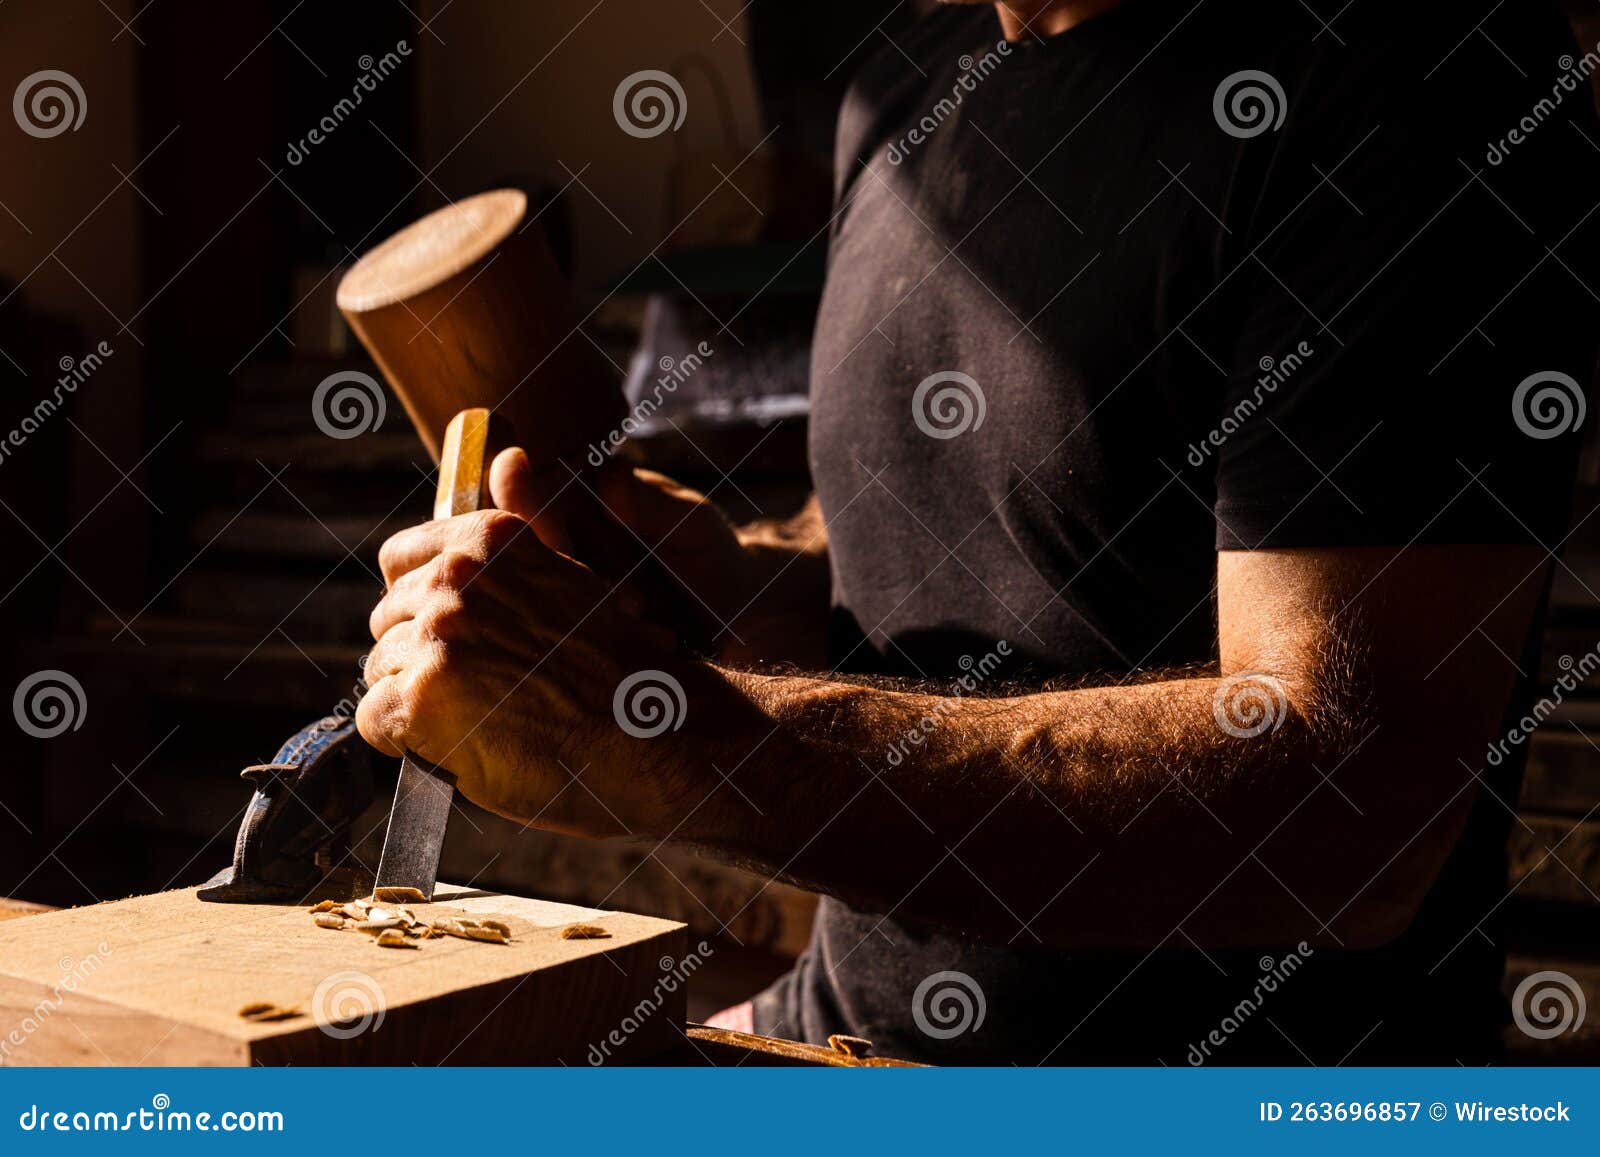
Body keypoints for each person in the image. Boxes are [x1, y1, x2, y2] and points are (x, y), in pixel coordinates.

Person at [357, 0, 1600, 1063]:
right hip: (849, 1037)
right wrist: (747, 589)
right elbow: (944, 548)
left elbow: (1347, 802)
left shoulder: (1412, 76)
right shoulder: (913, 83)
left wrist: (681, 743)